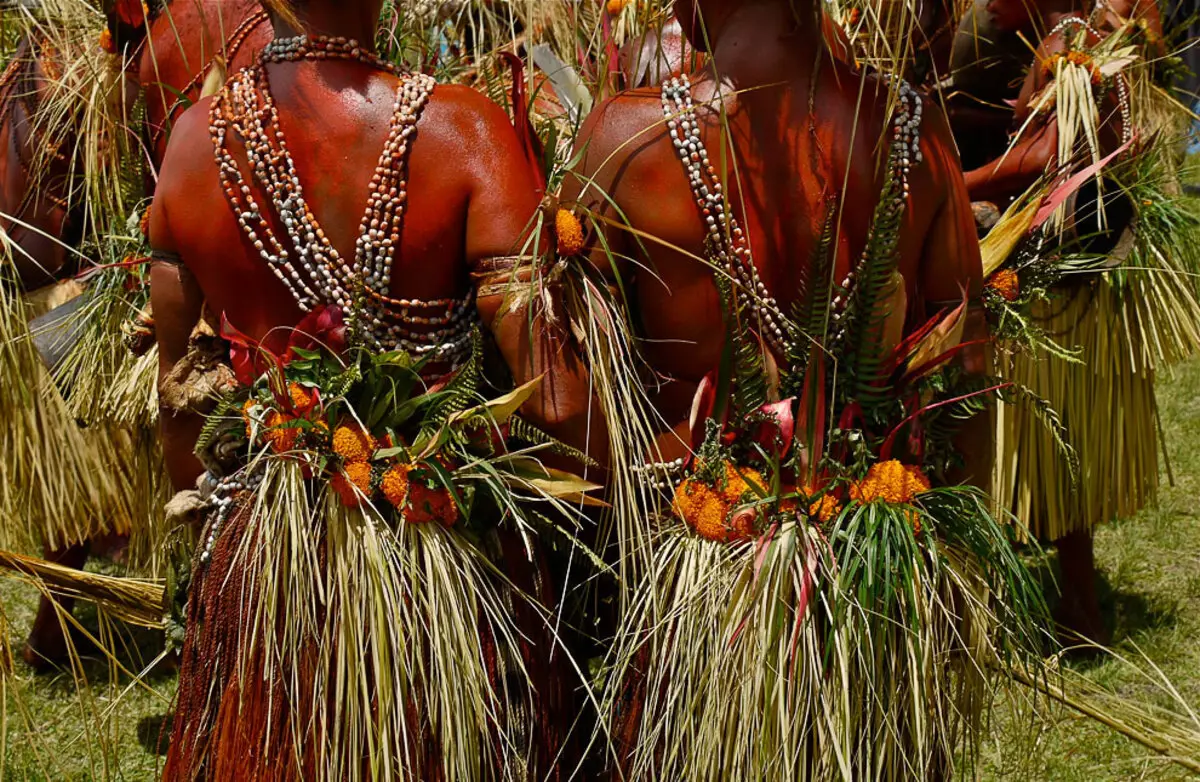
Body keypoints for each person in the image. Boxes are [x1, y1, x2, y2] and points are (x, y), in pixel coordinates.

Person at [560, 1, 1046, 778]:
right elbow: (967, 373)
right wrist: (947, 569)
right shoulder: (908, 127)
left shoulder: (624, 139)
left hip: (693, 585)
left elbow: (569, 400)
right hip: (875, 587)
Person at [149, 0, 593, 776]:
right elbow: (556, 401)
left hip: (269, 572)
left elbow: (179, 410)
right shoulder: (462, 131)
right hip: (439, 576)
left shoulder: (192, 142)